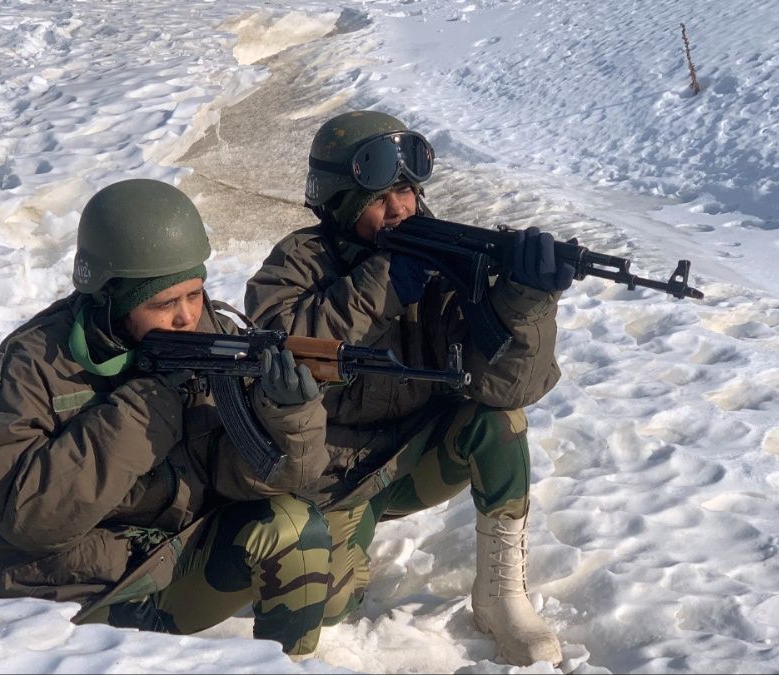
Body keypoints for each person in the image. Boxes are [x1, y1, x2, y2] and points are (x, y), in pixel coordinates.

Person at [244, 111, 572, 666]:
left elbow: (505, 384)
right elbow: (285, 343)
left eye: (408, 191)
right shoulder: (297, 262)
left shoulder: (438, 261)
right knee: (328, 607)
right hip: (332, 476)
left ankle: (501, 597)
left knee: (500, 422)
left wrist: (523, 302)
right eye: (381, 197)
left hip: (413, 455)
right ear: (341, 202)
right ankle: (348, 544)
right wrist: (383, 284)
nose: (402, 208)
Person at [0, 178, 336, 656]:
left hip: (170, 562)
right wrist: (148, 405)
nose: (186, 317)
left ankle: (286, 666)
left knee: (296, 525)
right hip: (71, 603)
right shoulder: (33, 364)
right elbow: (32, 520)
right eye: (163, 303)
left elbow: (264, 475)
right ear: (112, 299)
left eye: (195, 294)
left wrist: (289, 416)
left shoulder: (209, 335)